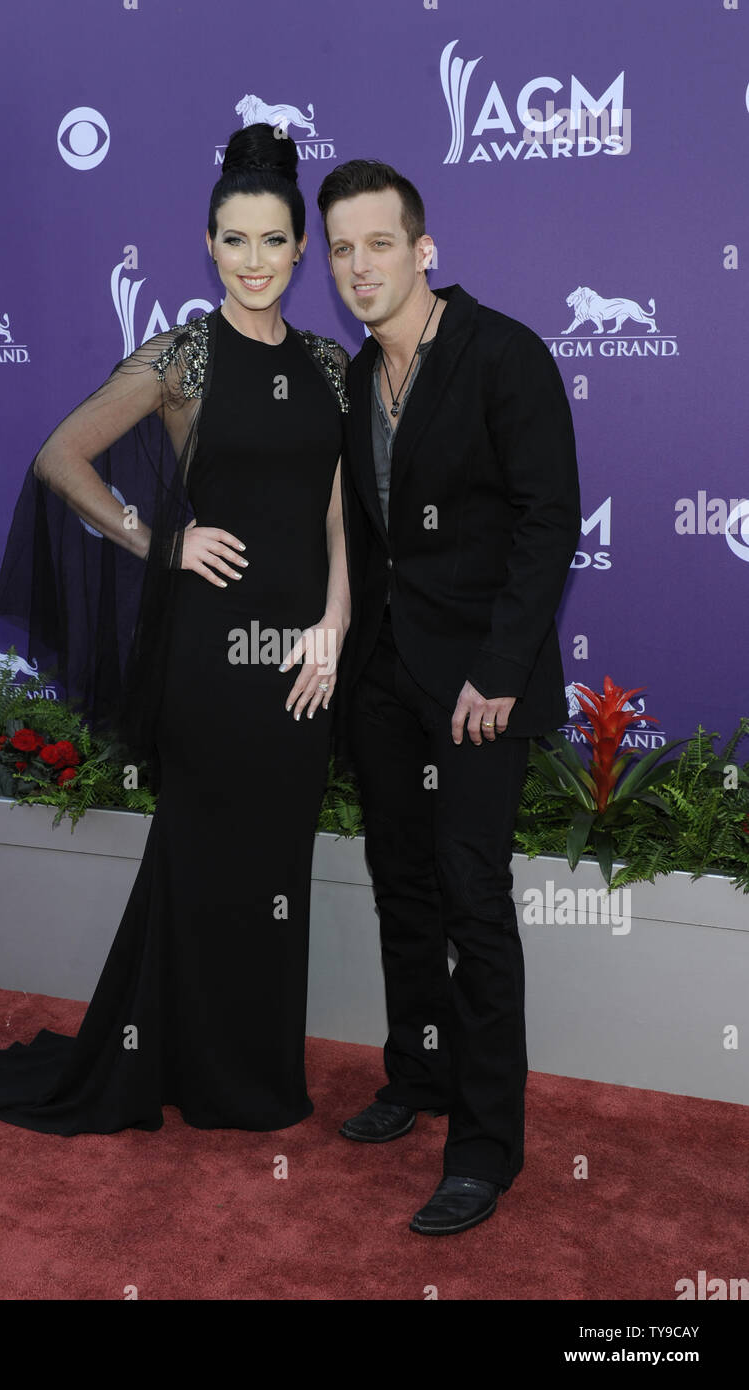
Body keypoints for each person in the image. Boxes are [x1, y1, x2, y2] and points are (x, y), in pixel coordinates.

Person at [0, 124, 350, 1134]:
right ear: (207, 244)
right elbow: (59, 456)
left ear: (301, 249)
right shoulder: (182, 357)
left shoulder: (330, 363)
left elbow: (340, 507)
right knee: (207, 858)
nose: (253, 261)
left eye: (272, 241)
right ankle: (196, 1072)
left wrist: (337, 618)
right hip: (211, 655)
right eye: (234, 240)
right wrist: (160, 539)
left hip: (303, 655)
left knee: (275, 867)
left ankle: (254, 1071)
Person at [316, 159, 581, 1233]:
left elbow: (545, 522)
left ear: (422, 249)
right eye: (339, 248)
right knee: (403, 886)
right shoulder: (347, 379)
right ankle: (417, 1075)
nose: (358, 265)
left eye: (378, 243)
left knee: (472, 896)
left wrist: (498, 673)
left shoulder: (503, 354)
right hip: (384, 675)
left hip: (479, 684)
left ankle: (484, 1143)